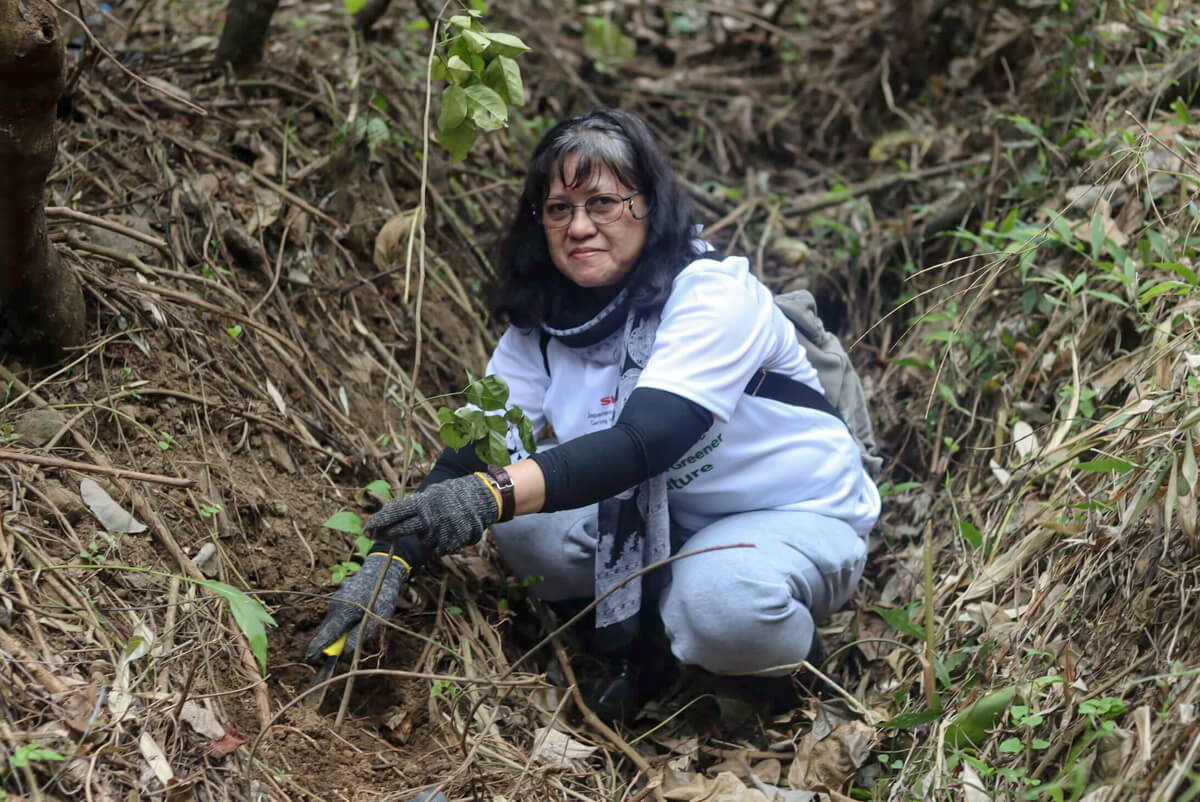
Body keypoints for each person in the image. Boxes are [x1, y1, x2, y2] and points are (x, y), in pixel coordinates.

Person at [307, 108, 881, 716]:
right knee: (522, 521)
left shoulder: (712, 293)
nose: (579, 226)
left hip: (791, 512)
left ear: (649, 206)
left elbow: (644, 442)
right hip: (668, 522)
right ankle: (645, 650)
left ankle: (787, 671)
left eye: (603, 203)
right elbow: (470, 457)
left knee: (721, 602)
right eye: (559, 209)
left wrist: (486, 494)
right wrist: (390, 560)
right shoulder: (546, 329)